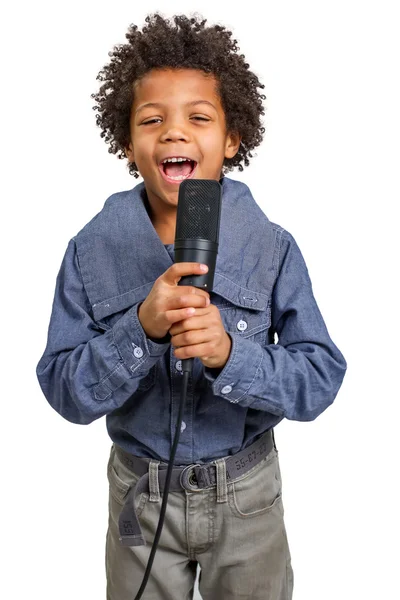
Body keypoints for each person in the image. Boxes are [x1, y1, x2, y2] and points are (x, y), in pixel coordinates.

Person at [36, 12, 347, 600]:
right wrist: (140, 331)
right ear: (128, 142)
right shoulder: (90, 251)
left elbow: (321, 377)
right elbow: (62, 387)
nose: (175, 133)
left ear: (232, 138)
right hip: (141, 499)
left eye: (198, 118)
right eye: (153, 120)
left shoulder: (271, 248)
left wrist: (233, 355)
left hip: (247, 498)